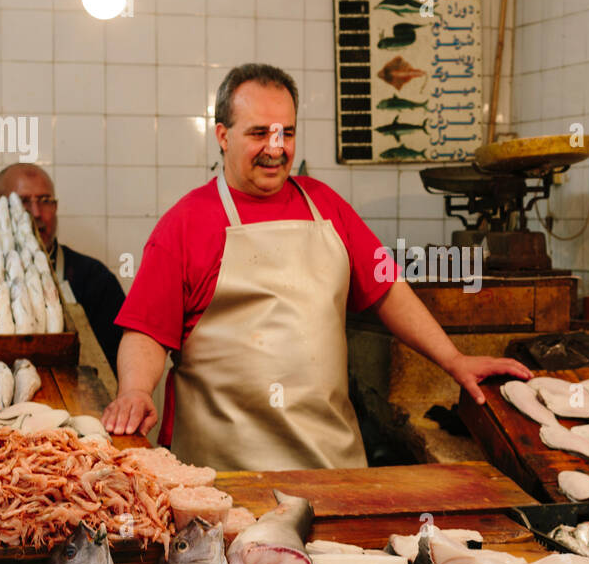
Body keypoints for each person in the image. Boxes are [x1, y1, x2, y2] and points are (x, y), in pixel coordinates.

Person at [102, 64, 531, 471]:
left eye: (286, 133)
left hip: (330, 467)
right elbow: (146, 330)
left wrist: (454, 360)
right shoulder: (186, 223)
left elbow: (387, 289)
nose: (276, 148)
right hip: (223, 474)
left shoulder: (325, 205)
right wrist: (135, 390)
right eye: (259, 133)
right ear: (223, 136)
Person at [0, 164, 125, 373]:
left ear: (55, 207)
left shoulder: (94, 277)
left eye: (45, 200)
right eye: (22, 201)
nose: (36, 213)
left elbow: (120, 361)